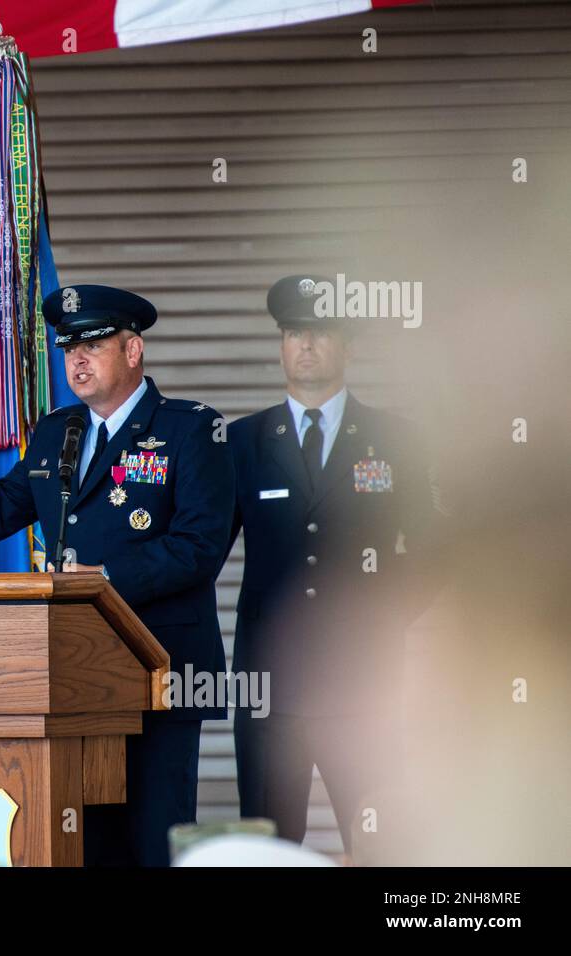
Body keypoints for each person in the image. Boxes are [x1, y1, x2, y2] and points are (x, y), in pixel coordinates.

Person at [0, 284, 235, 866]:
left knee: (152, 843)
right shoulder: (54, 430)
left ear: (133, 351)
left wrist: (105, 577)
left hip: (157, 674)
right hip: (69, 678)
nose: (76, 361)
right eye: (67, 349)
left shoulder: (192, 430)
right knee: (84, 846)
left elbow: (199, 548)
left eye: (92, 345)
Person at [226, 275, 441, 853]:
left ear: (349, 345)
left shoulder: (394, 439)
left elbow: (433, 548)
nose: (306, 345)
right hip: (270, 687)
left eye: (321, 332)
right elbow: (201, 549)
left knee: (381, 843)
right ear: (280, 345)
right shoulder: (242, 443)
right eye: (295, 332)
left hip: (364, 685)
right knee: (269, 848)